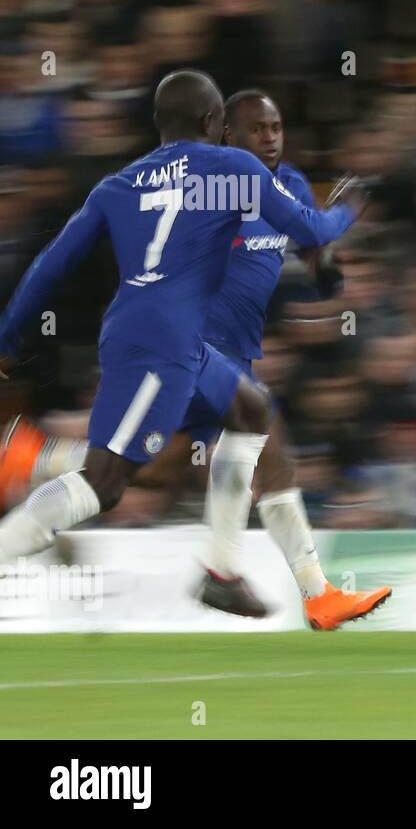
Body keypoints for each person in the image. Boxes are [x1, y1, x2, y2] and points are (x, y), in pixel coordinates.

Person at [0, 89, 391, 629]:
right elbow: (315, 228)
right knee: (118, 479)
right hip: (175, 343)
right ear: (221, 129)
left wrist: (326, 268)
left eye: (276, 127)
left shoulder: (266, 184)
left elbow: (316, 258)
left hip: (200, 351)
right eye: (256, 129)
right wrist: (350, 207)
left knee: (234, 426)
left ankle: (256, 582)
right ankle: (290, 588)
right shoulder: (226, 178)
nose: (269, 139)